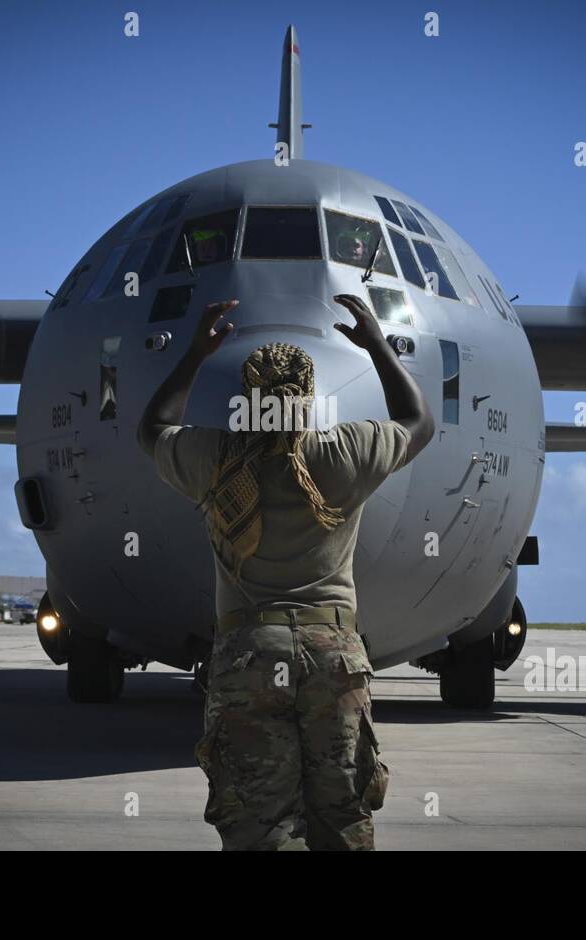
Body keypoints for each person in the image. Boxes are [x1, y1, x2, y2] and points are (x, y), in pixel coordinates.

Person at [137, 295, 434, 850]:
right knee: (343, 815)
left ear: (247, 396)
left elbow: (152, 428)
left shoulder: (214, 458)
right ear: (309, 395)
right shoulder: (346, 452)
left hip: (248, 654)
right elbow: (418, 421)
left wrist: (195, 354)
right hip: (333, 659)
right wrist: (378, 347)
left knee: (260, 824)